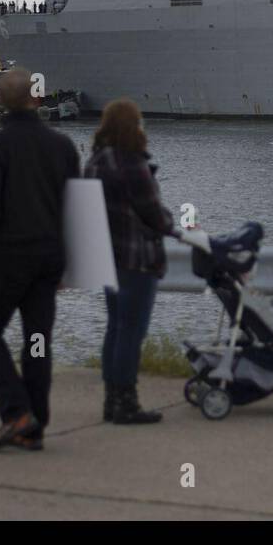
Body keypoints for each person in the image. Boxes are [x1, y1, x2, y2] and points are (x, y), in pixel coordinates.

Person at [0, 68, 81, 451]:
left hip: (7, 256)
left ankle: (16, 410)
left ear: (0, 101)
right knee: (37, 338)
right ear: (36, 99)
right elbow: (75, 210)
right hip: (48, 259)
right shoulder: (64, 146)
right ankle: (34, 421)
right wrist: (67, 261)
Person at [85, 99, 174, 424]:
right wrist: (172, 223)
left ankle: (112, 399)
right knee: (132, 330)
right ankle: (127, 400)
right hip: (135, 259)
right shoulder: (131, 163)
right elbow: (153, 213)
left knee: (114, 327)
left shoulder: (95, 161)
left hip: (106, 257)